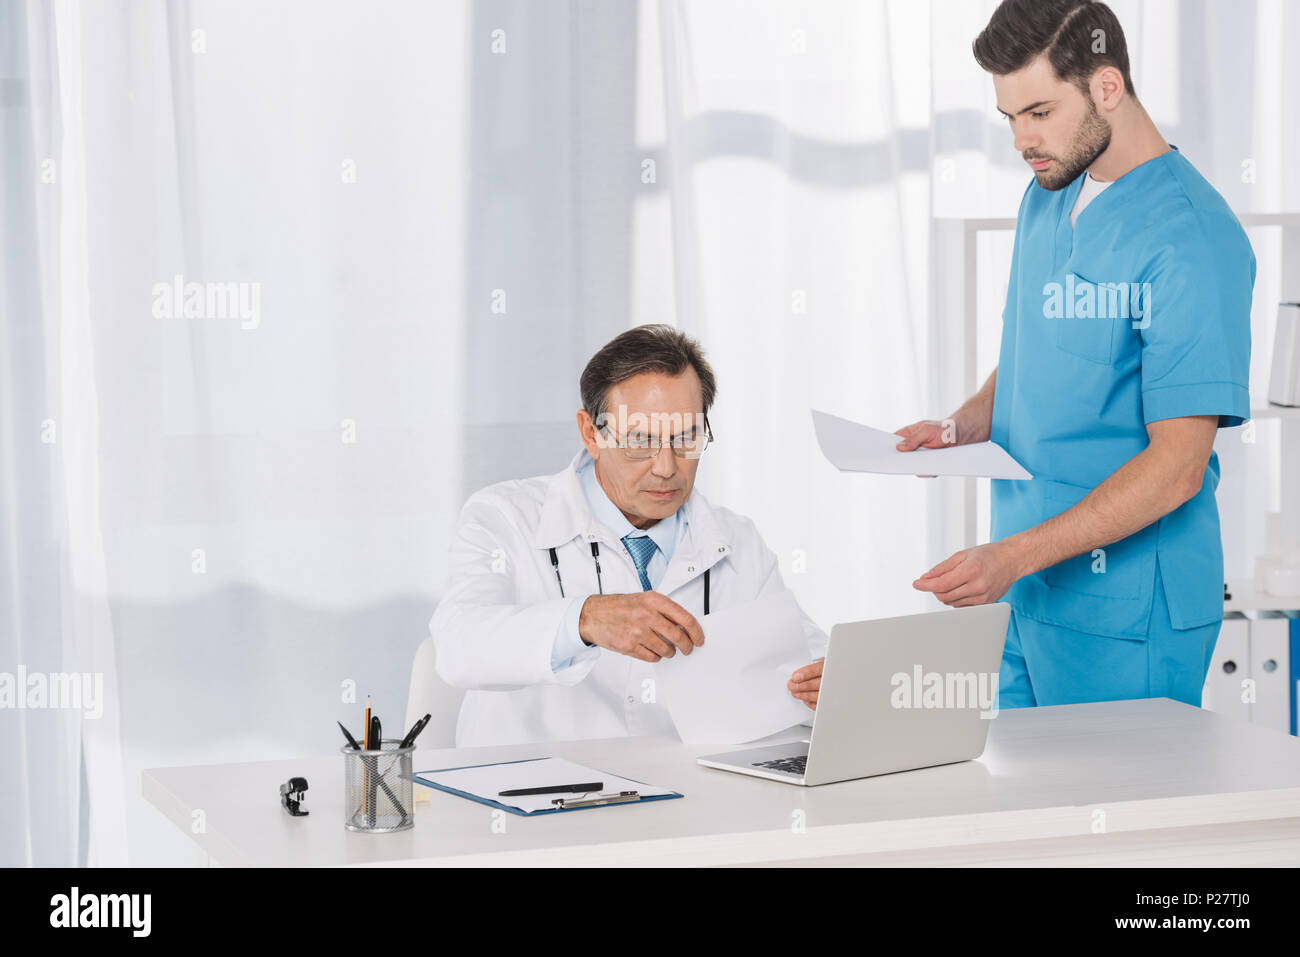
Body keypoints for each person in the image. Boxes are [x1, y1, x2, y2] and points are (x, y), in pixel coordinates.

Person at [895, 0, 1253, 709]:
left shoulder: (1190, 239)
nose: (1023, 140)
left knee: (1116, 816)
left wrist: (1012, 556)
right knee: (1022, 815)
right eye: (1009, 119)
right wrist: (967, 421)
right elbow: (1042, 347)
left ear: (1107, 88)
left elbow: (1179, 467)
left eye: (1039, 111)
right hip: (1028, 591)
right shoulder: (1049, 193)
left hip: (1124, 614)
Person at [431, 324, 826, 746]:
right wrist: (583, 620)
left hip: (689, 795)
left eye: (686, 439)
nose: (666, 467)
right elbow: (458, 645)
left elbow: (807, 659)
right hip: (534, 792)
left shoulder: (737, 540)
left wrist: (830, 685)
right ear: (591, 433)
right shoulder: (504, 517)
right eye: (641, 441)